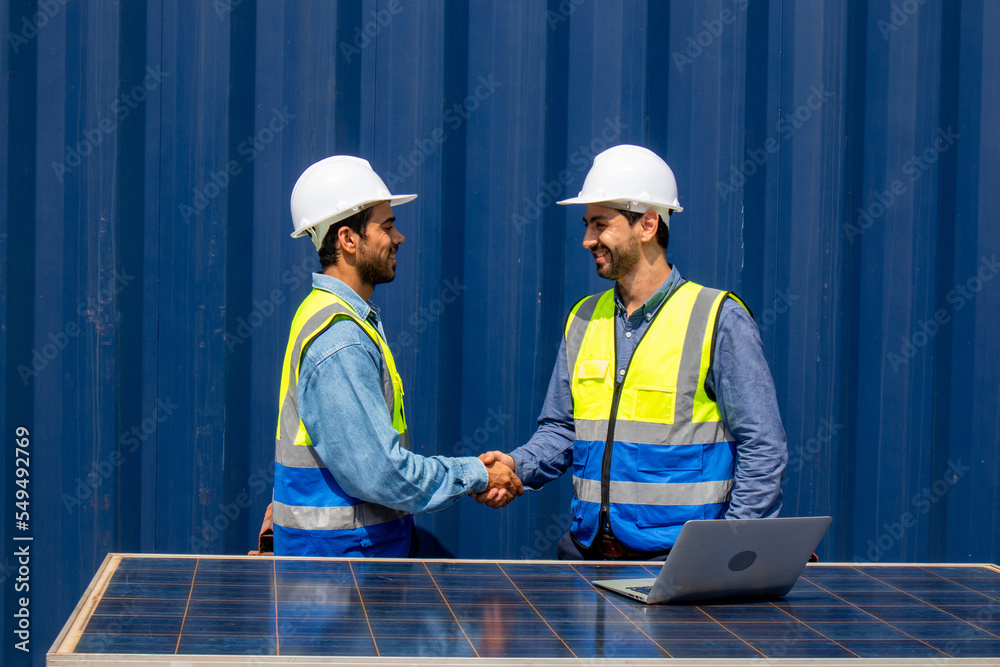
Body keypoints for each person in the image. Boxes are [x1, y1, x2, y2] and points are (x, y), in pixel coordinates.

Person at [477, 145, 787, 560]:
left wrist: (729, 551)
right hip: (587, 554)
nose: (588, 240)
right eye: (587, 225)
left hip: (678, 563)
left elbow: (763, 447)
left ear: (648, 224)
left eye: (600, 224)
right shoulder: (583, 318)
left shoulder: (718, 318)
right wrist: (515, 467)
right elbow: (564, 430)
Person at [273, 155, 522, 557]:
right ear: (348, 239)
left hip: (338, 562)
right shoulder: (341, 338)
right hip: (343, 568)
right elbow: (381, 473)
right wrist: (477, 474)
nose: (399, 237)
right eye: (387, 226)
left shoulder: (327, 314)